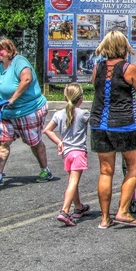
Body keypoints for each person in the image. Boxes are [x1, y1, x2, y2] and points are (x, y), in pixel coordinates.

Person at [89, 30, 136, 229]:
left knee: (105, 171)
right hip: (123, 124)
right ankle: (123, 211)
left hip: (98, 123)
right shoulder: (130, 68)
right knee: (133, 167)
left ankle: (104, 218)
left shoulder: (98, 68)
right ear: (123, 47)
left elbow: (97, 88)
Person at [0, 37, 51, 185]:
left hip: (27, 110)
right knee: (2, 143)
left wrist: (13, 98)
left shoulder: (19, 62)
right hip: (5, 112)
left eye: (2, 49)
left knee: (34, 143)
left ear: (10, 50)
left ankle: (45, 169)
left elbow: (26, 79)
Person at [43, 83, 91, 227]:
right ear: (81, 99)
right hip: (78, 152)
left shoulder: (58, 114)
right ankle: (64, 210)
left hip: (67, 153)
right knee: (73, 182)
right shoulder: (83, 114)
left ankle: (78, 207)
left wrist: (59, 142)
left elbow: (47, 130)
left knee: (72, 180)